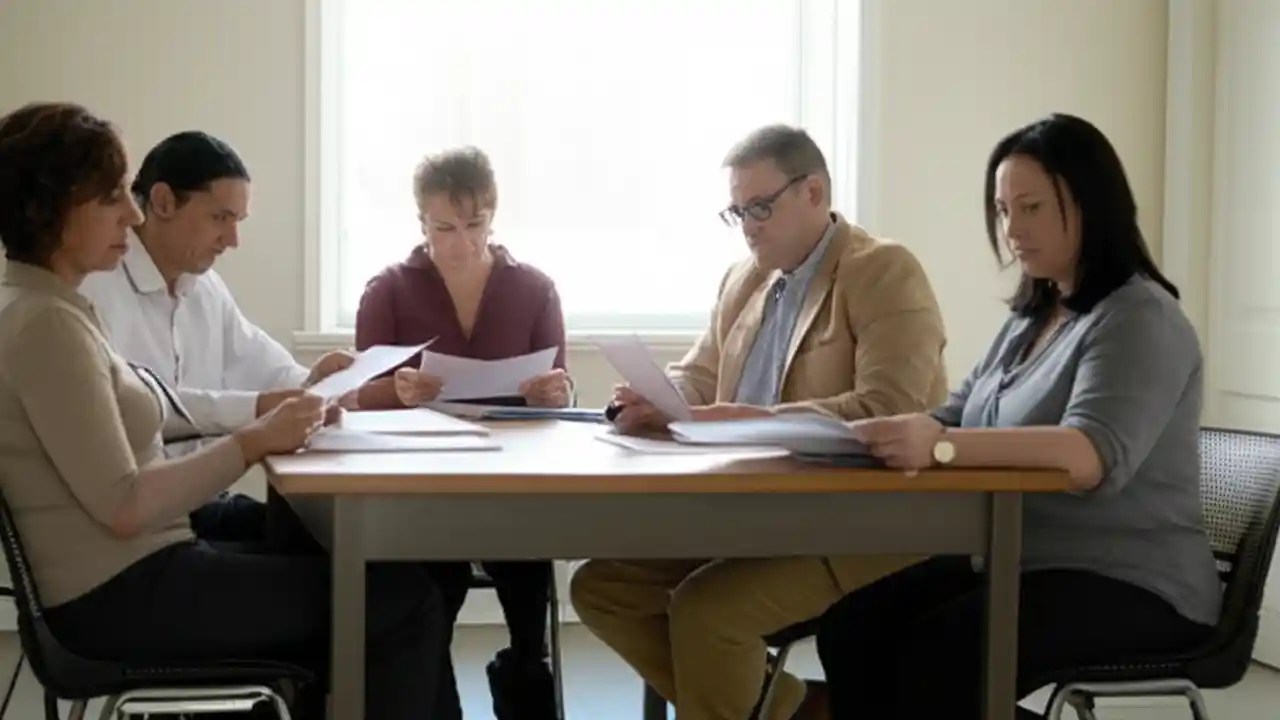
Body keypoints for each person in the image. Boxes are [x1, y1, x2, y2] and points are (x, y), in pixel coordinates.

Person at [0, 102, 447, 719]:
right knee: (399, 601)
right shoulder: (47, 324)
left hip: (132, 571)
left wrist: (287, 409)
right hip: (118, 594)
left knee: (336, 560)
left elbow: (159, 415)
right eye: (110, 198)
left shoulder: (48, 306)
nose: (129, 215)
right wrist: (253, 440)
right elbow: (126, 505)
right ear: (50, 205)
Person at [814, 113, 1221, 720]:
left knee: (937, 655)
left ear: (1090, 204)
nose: (1012, 230)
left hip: (1134, 581)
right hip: (1020, 560)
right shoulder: (1034, 317)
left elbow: (1088, 456)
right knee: (851, 629)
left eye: (1030, 208)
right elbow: (957, 415)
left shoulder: (1140, 319)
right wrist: (865, 435)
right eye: (1004, 211)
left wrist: (941, 448)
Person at [570, 124, 949, 720]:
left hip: (866, 524)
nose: (748, 225)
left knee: (705, 613)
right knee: (601, 591)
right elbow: (698, 377)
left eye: (760, 207)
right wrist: (652, 398)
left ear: (814, 193)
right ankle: (794, 708)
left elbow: (889, 409)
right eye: (737, 211)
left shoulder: (883, 271)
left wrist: (756, 419)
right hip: (753, 512)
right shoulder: (744, 278)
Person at [354, 146, 567, 720]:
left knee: (525, 561)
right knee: (435, 575)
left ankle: (526, 669)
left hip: (510, 478)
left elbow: (558, 390)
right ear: (421, 222)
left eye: (475, 225)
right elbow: (353, 398)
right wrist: (393, 391)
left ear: (493, 216)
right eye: (444, 227)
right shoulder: (389, 290)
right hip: (420, 482)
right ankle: (430, 689)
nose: (461, 242)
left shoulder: (534, 289)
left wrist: (555, 394)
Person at [79, 131, 355, 545]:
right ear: (163, 202)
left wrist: (316, 384)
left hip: (200, 509)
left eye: (237, 222)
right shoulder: (95, 290)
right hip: (149, 527)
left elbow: (264, 366)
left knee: (361, 555)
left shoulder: (204, 287)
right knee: (363, 572)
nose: (233, 240)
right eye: (220, 218)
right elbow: (145, 407)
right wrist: (261, 409)